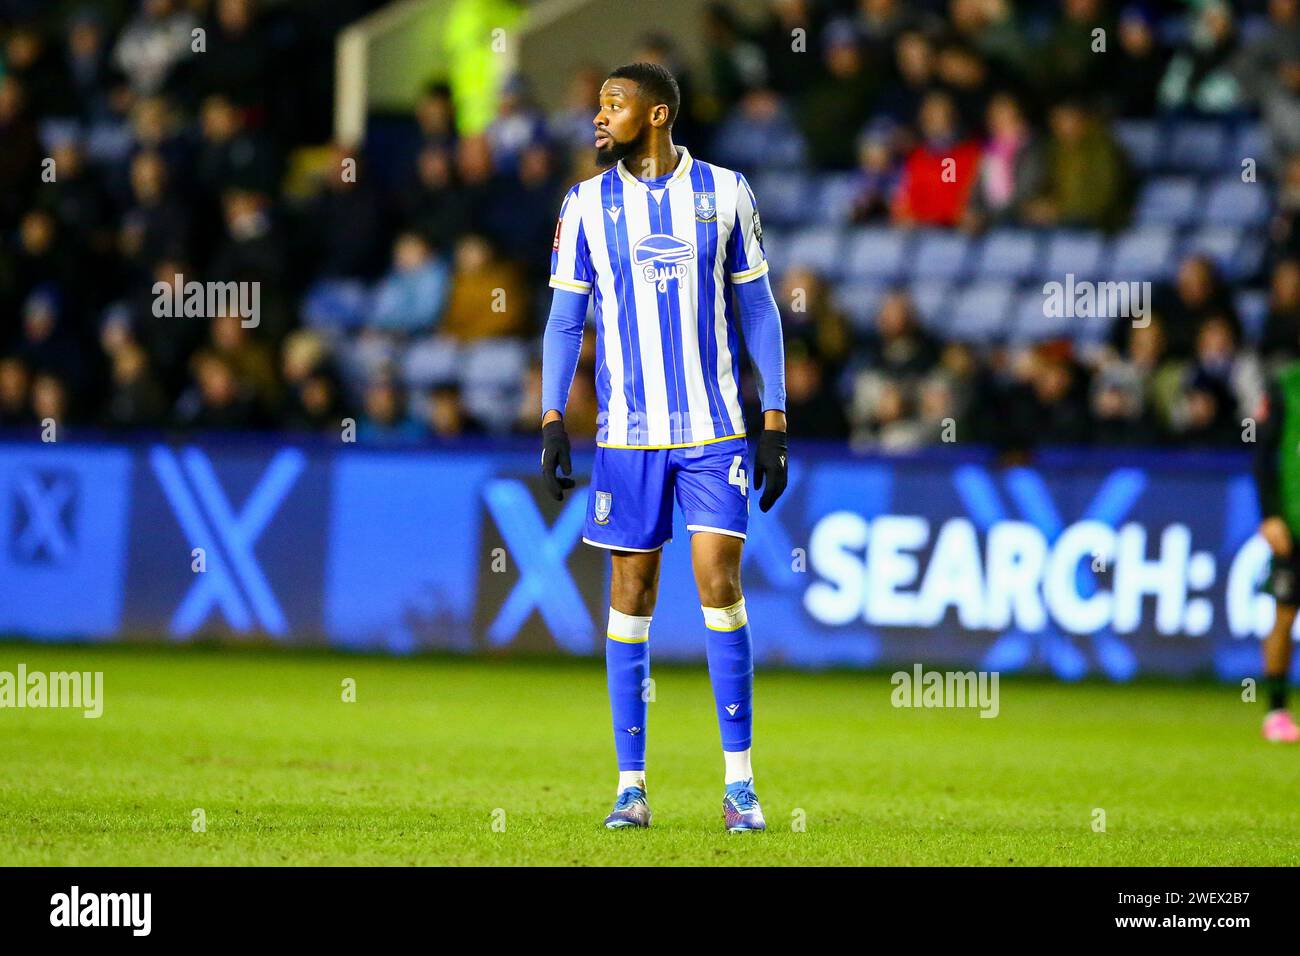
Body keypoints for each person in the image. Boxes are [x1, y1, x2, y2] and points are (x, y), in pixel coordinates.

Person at [539, 62, 787, 832]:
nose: (598, 117)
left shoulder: (725, 192)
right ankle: (631, 785)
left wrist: (773, 420)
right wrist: (552, 416)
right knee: (631, 595)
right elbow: (563, 321)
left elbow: (759, 310)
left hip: (715, 431)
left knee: (718, 581)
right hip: (627, 436)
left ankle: (740, 785)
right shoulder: (584, 205)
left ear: (656, 114)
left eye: (613, 104)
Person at [1254, 363, 1300, 742]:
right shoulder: (1285, 386)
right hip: (1294, 525)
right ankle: (1276, 711)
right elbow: (1261, 453)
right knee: (1284, 615)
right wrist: (1269, 515)